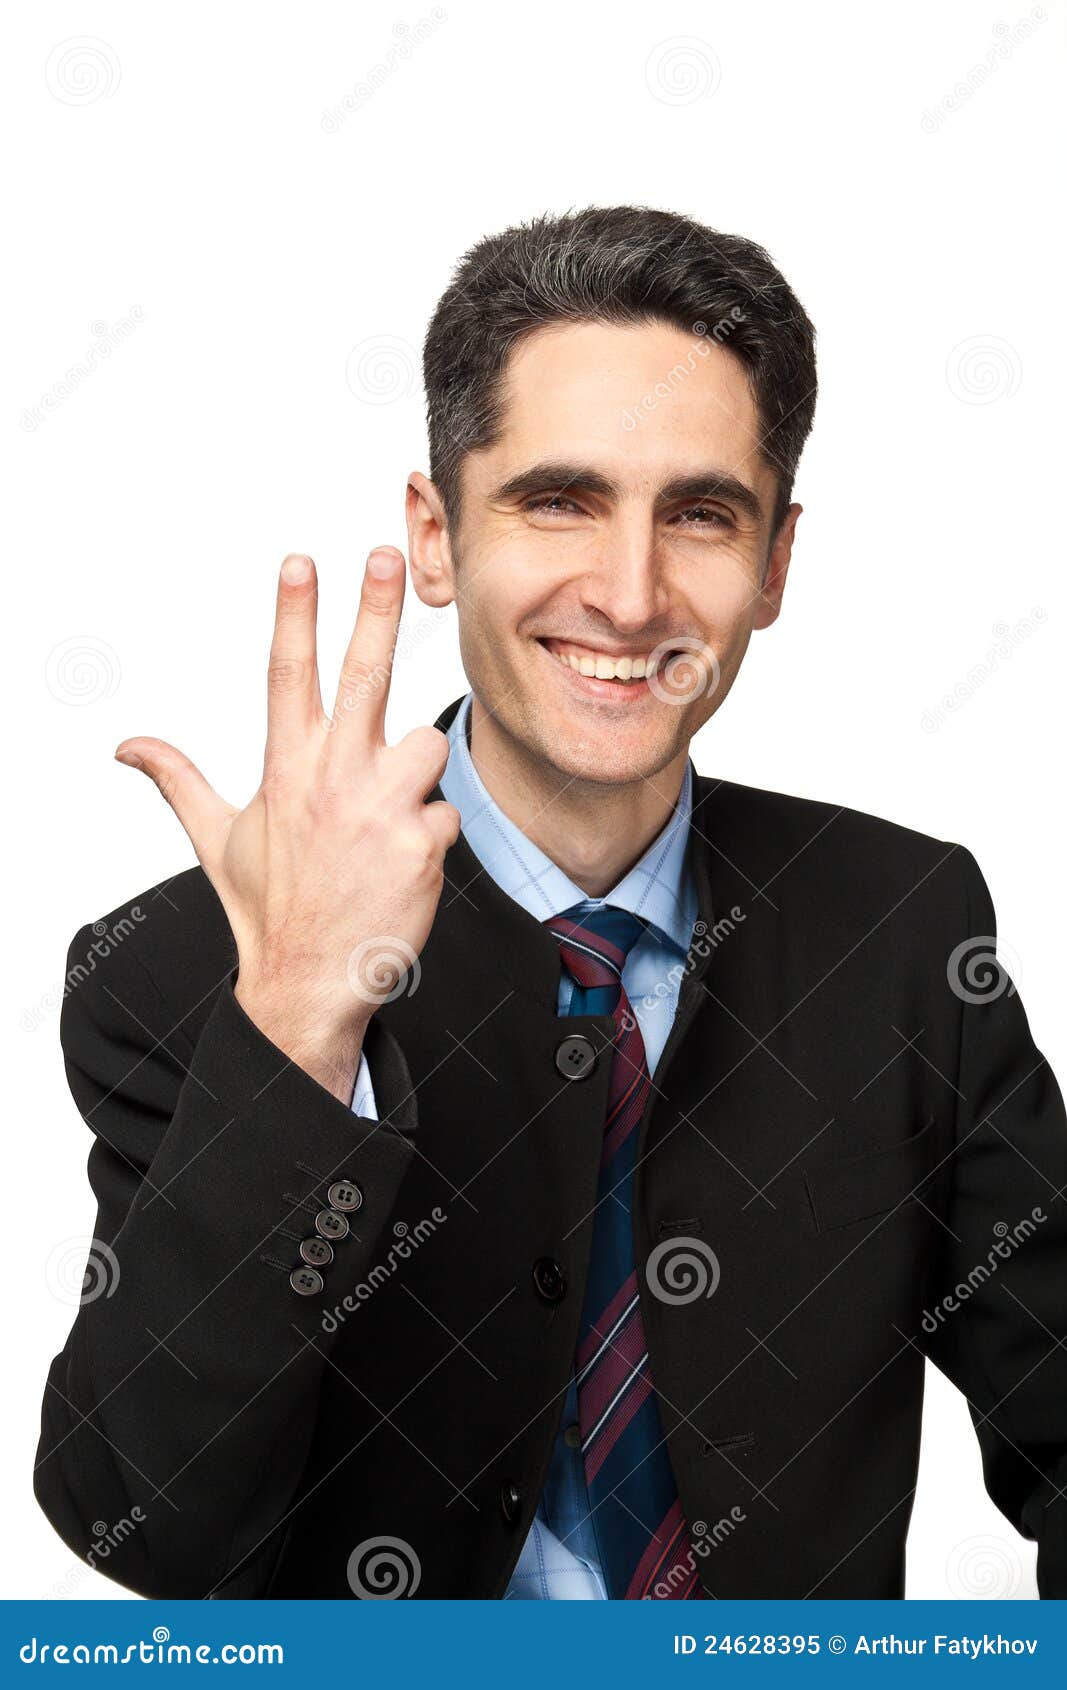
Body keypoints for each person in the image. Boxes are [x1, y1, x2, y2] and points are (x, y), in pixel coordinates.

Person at [34, 207, 1067, 1600]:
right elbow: (142, 1528)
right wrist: (292, 1022)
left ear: (774, 564)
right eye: (559, 499)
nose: (631, 596)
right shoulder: (181, 965)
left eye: (701, 514)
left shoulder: (901, 928)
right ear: (438, 533)